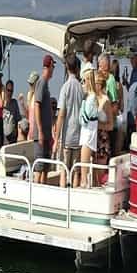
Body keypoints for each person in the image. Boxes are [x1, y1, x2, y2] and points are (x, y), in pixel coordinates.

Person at [54, 54, 83, 187]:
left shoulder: (65, 87)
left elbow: (61, 114)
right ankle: (75, 196)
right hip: (78, 134)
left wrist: (56, 138)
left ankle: (62, 197)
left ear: (67, 67)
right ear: (77, 68)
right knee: (76, 171)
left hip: (66, 136)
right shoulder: (81, 88)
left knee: (63, 170)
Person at [32, 55, 55, 183]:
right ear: (50, 66)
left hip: (46, 134)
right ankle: (35, 191)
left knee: (46, 167)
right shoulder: (41, 82)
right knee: (39, 167)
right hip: (41, 134)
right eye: (53, 66)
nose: (53, 70)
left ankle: (43, 188)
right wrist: (40, 130)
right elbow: (37, 104)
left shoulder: (46, 84)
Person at [79, 66, 100, 187]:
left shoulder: (90, 99)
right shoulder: (92, 97)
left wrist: (82, 104)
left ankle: (84, 183)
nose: (83, 84)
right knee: (85, 164)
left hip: (87, 134)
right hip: (89, 132)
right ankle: (85, 182)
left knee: (84, 165)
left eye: (83, 81)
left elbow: (84, 120)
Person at [2, 79, 21, 145]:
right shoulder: (1, 103)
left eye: (11, 91)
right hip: (3, 137)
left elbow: (18, 119)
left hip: (12, 138)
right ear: (5, 90)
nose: (9, 93)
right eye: (8, 90)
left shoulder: (14, 103)